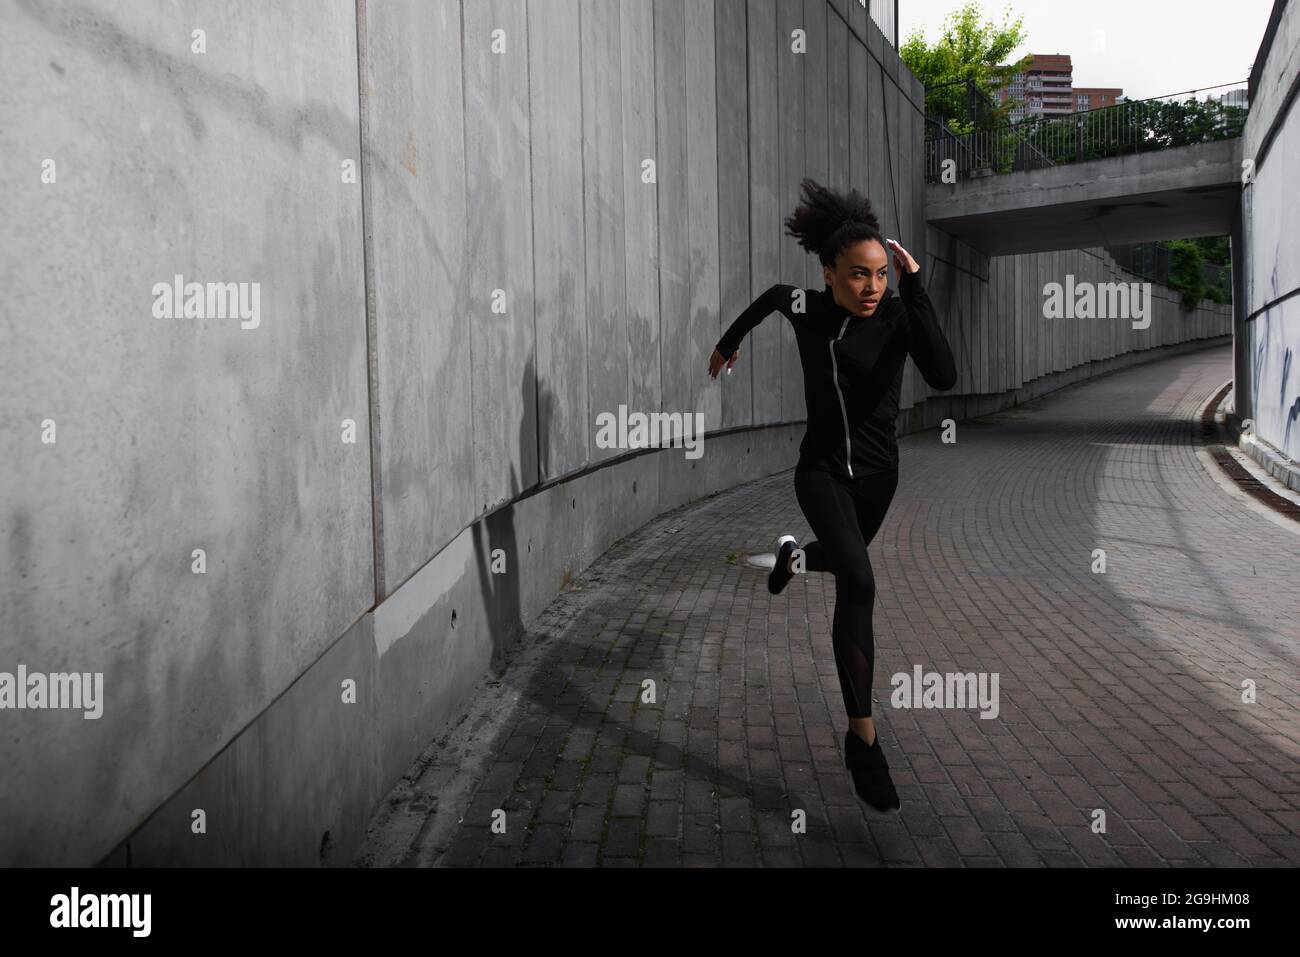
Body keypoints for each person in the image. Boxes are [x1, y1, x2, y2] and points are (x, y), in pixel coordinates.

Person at [706, 178, 957, 816]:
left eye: (879, 275)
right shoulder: (805, 307)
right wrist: (728, 342)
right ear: (828, 275)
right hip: (820, 473)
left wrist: (916, 288)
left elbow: (944, 373)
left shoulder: (898, 313)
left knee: (844, 562)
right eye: (856, 276)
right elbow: (767, 299)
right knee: (860, 583)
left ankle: (792, 559)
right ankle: (862, 737)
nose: (870, 288)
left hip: (879, 477)